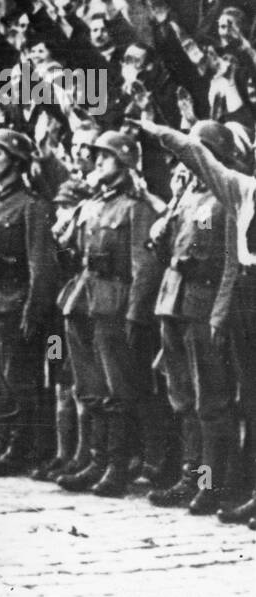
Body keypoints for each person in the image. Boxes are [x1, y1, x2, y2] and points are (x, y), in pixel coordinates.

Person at [137, 115, 256, 525]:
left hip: (205, 308)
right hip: (176, 303)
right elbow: (167, 247)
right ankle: (191, 475)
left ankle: (211, 482)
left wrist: (220, 315)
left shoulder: (226, 199)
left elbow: (228, 265)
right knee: (183, 397)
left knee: (211, 403)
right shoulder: (186, 199)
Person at [56, 130, 162, 497]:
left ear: (124, 161)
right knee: (89, 386)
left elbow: (144, 267)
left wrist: (136, 314)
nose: (96, 161)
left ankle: (117, 468)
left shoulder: (138, 206)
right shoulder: (94, 203)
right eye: (96, 155)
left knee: (119, 390)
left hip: (115, 301)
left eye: (105, 155)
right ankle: (96, 462)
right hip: (84, 298)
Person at [0, 129, 58, 477]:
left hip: (13, 299)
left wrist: (34, 309)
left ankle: (21, 445)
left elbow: (41, 264)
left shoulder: (32, 205)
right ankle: (1, 439)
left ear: (16, 162)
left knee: (18, 378)